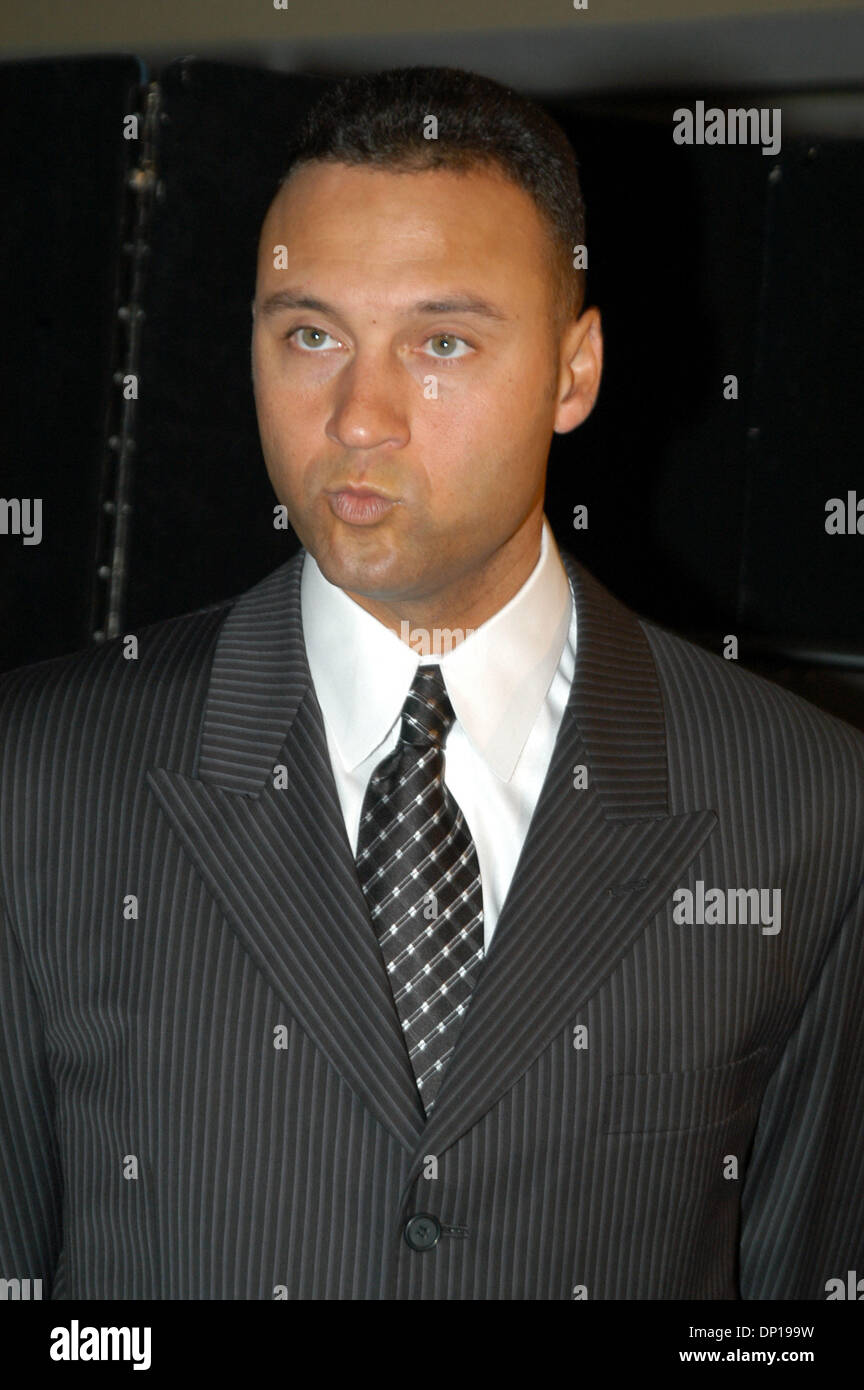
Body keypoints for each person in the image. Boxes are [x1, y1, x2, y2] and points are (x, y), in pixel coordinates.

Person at [1, 65, 862, 1302]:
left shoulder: (808, 810)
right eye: (311, 335)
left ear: (574, 373)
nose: (360, 416)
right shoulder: (36, 777)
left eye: (442, 342)